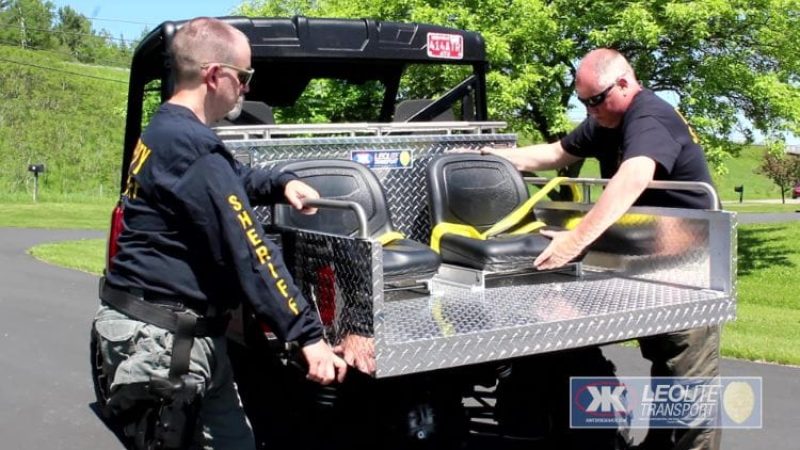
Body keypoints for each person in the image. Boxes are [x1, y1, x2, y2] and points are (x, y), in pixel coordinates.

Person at [91, 17, 347, 449]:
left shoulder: (168, 129)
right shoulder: (191, 145)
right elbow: (251, 250)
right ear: (215, 75)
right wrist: (307, 335)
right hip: (163, 343)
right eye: (244, 77)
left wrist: (280, 183)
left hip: (181, 333)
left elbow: (228, 179)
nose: (246, 88)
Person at [481, 48, 720, 450]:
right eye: (583, 103)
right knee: (663, 370)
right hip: (646, 264)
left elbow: (634, 175)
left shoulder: (649, 117)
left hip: (688, 271)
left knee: (688, 387)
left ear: (624, 84)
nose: (590, 110)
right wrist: (494, 157)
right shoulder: (606, 119)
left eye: (596, 100)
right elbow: (556, 153)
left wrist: (576, 240)